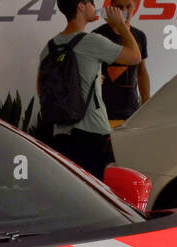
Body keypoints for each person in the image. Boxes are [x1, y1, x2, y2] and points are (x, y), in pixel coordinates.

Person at [41, 0, 141, 178]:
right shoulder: (92, 41)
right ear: (81, 6)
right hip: (92, 133)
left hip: (60, 134)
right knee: (94, 196)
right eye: (92, 4)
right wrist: (122, 25)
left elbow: (43, 90)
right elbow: (135, 57)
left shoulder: (49, 48)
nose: (95, 8)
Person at [94, 0, 149, 127]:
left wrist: (147, 103)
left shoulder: (139, 36)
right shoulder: (98, 36)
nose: (125, 11)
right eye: (120, 7)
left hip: (131, 113)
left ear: (135, 6)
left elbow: (142, 72)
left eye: (129, 6)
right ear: (112, 7)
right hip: (104, 113)